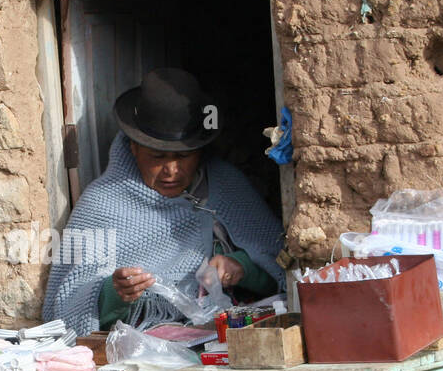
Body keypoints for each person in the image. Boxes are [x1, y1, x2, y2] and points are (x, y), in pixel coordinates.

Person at [44, 68, 284, 336]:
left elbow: (283, 268)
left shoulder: (226, 186)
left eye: (183, 157)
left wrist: (242, 267)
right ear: (133, 148)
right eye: (157, 157)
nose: (172, 170)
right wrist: (115, 293)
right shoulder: (102, 204)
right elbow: (66, 307)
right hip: (146, 349)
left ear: (200, 151)